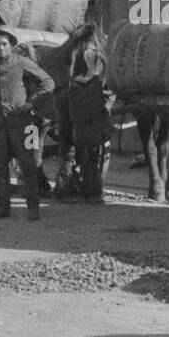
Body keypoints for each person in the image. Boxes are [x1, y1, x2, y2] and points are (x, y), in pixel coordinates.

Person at [0, 27, 54, 221]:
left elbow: (48, 83)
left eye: (4, 44)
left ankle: (33, 209)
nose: (0, 48)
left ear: (11, 46)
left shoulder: (23, 63)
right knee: (0, 166)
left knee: (29, 165)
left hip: (24, 125)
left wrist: (31, 103)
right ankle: (2, 208)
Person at [54, 26, 115, 205]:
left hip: (90, 96)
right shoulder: (76, 51)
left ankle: (92, 188)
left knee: (93, 145)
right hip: (69, 96)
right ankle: (66, 185)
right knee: (67, 144)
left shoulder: (97, 55)